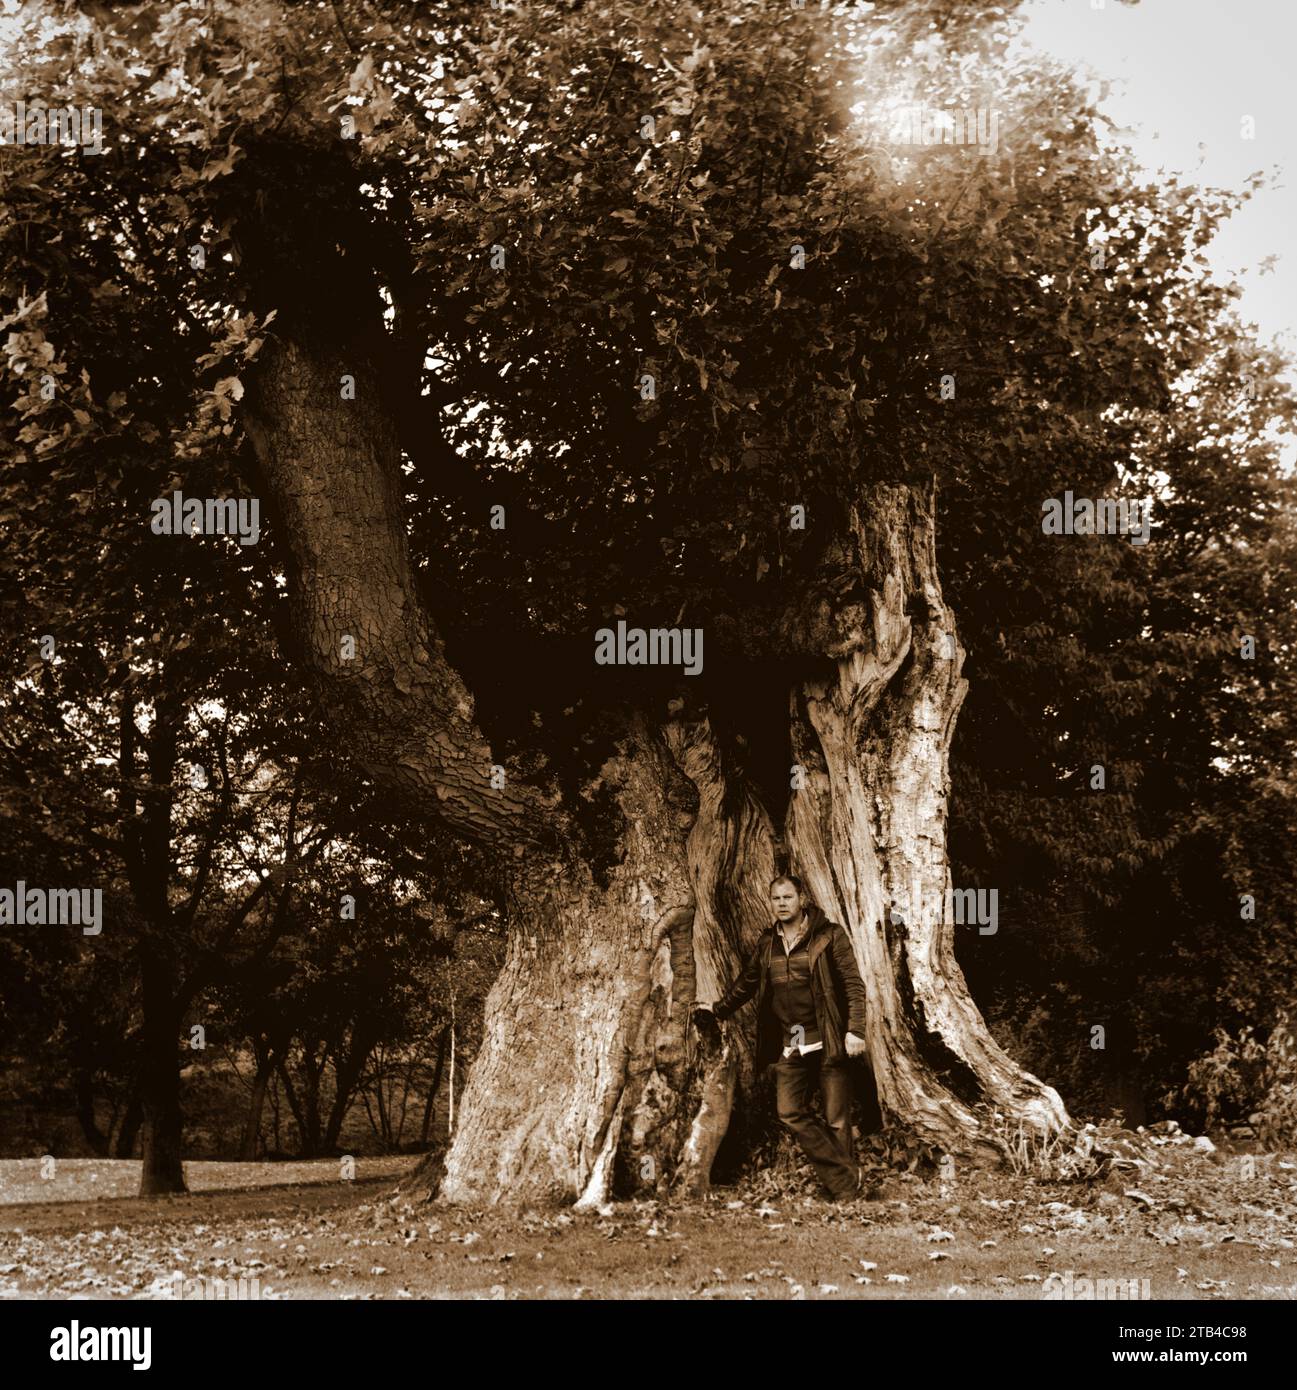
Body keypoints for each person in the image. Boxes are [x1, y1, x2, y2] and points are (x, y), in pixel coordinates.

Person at [694, 874, 870, 1201]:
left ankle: (844, 1191)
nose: (782, 904)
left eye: (788, 897)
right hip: (793, 1043)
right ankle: (849, 1177)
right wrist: (718, 1009)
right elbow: (747, 983)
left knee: (836, 1118)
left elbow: (853, 986)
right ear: (770, 902)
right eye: (776, 899)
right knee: (789, 1111)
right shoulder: (768, 943)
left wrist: (855, 1030)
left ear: (801, 898)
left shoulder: (829, 936)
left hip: (829, 1039)